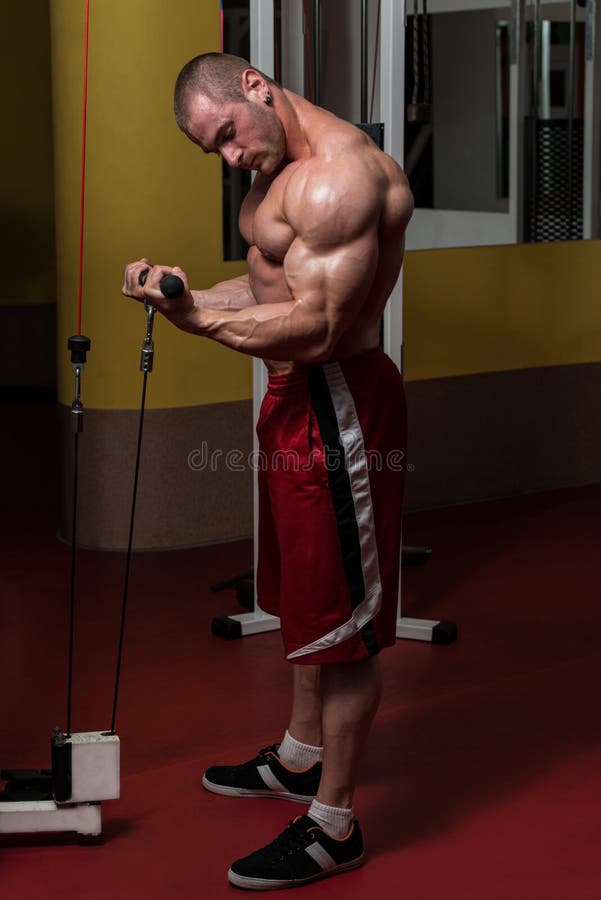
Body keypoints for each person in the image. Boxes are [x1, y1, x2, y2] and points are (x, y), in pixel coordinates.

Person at [122, 52, 414, 891]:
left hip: (338, 404)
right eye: (210, 150)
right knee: (306, 599)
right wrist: (182, 295)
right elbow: (266, 290)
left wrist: (195, 323)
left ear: (255, 85)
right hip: (293, 401)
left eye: (226, 135)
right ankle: (298, 756)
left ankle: (333, 825)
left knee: (342, 626)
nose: (229, 157)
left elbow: (318, 327)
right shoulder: (277, 172)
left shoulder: (340, 182)